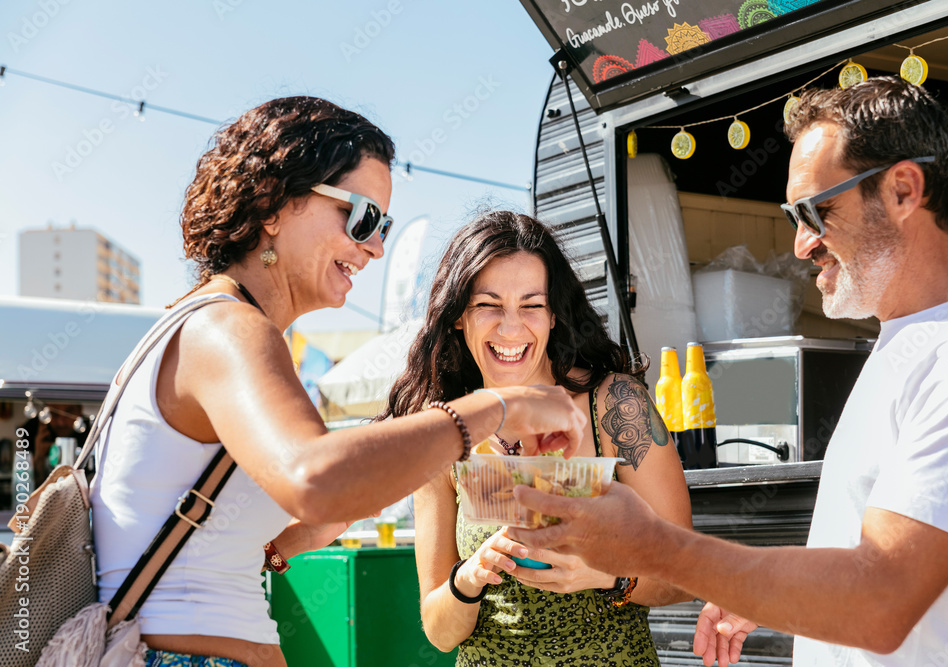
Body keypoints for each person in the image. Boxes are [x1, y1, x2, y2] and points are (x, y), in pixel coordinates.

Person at [506, 76, 948, 666]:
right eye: (794, 217)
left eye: (815, 211)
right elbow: (882, 556)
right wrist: (766, 586)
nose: (801, 244)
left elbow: (881, 601)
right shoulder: (915, 344)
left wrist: (656, 547)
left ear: (902, 190)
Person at [90, 98, 587, 667]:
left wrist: (303, 531)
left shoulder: (207, 322)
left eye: (384, 226)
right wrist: (499, 406)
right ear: (274, 203)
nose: (375, 247)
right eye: (363, 217)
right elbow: (315, 477)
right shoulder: (230, 329)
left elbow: (258, 528)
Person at [380, 211, 692, 666]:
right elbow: (440, 632)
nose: (511, 327)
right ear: (458, 317)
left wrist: (607, 576)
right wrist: (470, 577)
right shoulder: (443, 431)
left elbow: (684, 573)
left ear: (553, 316)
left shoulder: (615, 403)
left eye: (531, 305)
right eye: (488, 304)